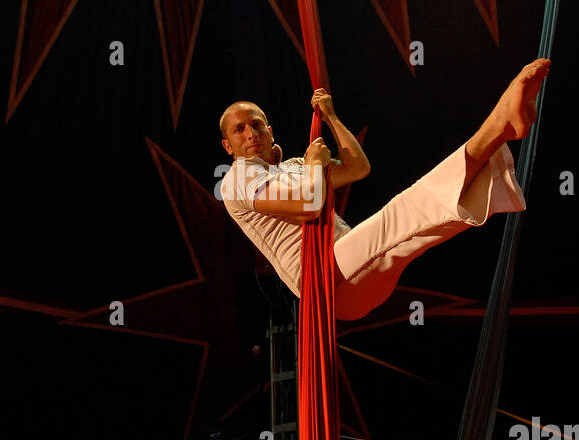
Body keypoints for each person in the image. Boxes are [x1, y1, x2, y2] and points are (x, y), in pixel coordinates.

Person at [219, 60, 550, 321]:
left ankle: (494, 160)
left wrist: (332, 118)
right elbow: (308, 204)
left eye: (257, 124)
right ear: (228, 146)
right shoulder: (237, 179)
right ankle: (496, 130)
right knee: (403, 213)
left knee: (423, 227)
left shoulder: (294, 166)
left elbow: (358, 168)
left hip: (354, 273)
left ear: (270, 130)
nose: (251, 134)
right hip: (324, 282)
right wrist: (316, 165)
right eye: (240, 130)